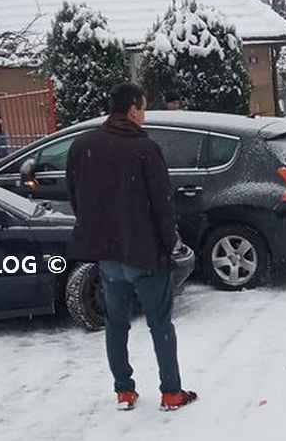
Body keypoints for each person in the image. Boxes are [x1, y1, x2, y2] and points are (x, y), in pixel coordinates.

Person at [65, 83, 198, 411]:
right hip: (144, 252)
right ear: (132, 109)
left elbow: (75, 194)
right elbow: (162, 205)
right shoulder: (144, 149)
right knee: (160, 323)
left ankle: (124, 390)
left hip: (108, 254)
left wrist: (96, 230)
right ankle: (171, 392)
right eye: (143, 107)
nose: (144, 115)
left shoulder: (83, 145)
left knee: (116, 323)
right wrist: (171, 245)